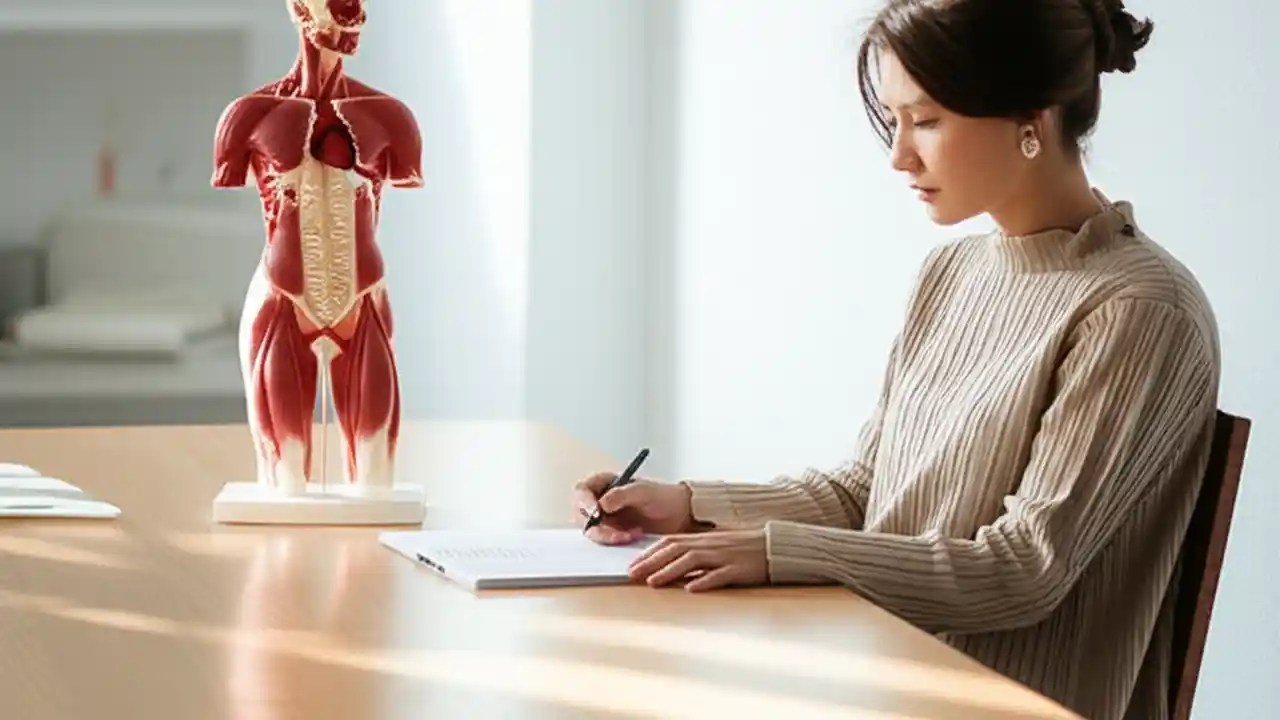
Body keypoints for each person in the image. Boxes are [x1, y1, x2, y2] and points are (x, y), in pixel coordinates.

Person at [571, 1, 1220, 718]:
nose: (899, 155)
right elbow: (866, 492)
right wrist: (689, 506)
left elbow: (1026, 568)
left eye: (929, 120)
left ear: (1032, 121)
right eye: (894, 119)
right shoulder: (953, 273)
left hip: (993, 702)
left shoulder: (1135, 310)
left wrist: (778, 552)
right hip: (881, 673)